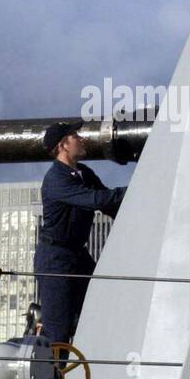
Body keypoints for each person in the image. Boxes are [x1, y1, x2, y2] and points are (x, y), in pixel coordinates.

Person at [34, 121, 125, 346]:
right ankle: (54, 376)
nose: (82, 139)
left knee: (99, 309)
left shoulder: (83, 173)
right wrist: (139, 188)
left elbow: (109, 205)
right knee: (59, 332)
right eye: (76, 136)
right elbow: (94, 199)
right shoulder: (56, 179)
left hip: (77, 256)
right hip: (56, 259)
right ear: (64, 144)